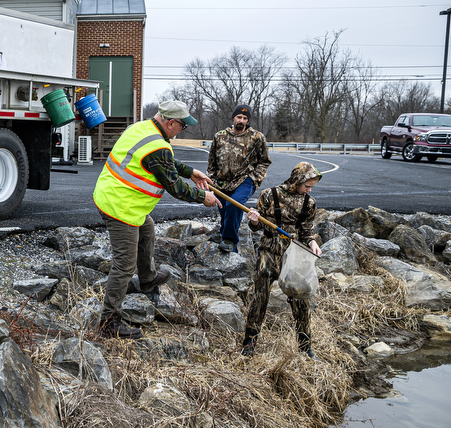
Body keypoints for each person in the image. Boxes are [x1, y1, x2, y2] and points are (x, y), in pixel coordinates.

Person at [93, 100, 222, 339]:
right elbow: (176, 188)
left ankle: (147, 278)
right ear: (170, 122)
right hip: (121, 207)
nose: (182, 130)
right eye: (182, 126)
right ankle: (108, 323)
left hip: (113, 195)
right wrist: (203, 197)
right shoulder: (159, 147)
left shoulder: (143, 128)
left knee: (148, 227)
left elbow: (165, 163)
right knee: (124, 265)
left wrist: (191, 172)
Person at [242, 162, 324, 358]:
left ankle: (305, 347)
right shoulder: (269, 195)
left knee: (300, 299)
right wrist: (254, 220)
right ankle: (249, 344)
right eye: (307, 186)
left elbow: (306, 231)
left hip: (294, 254)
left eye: (312, 187)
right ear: (297, 180)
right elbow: (255, 227)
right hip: (269, 250)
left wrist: (312, 242)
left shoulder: (309, 203)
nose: (309, 190)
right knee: (260, 296)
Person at [207, 103, 271, 253]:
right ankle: (231, 252)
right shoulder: (220, 136)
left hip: (245, 181)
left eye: (244, 118)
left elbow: (264, 161)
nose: (241, 120)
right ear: (233, 118)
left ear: (247, 120)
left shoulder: (257, 137)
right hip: (221, 182)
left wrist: (254, 179)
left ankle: (230, 240)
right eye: (239, 117)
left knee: (234, 205)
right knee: (225, 212)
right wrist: (210, 180)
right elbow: (212, 161)